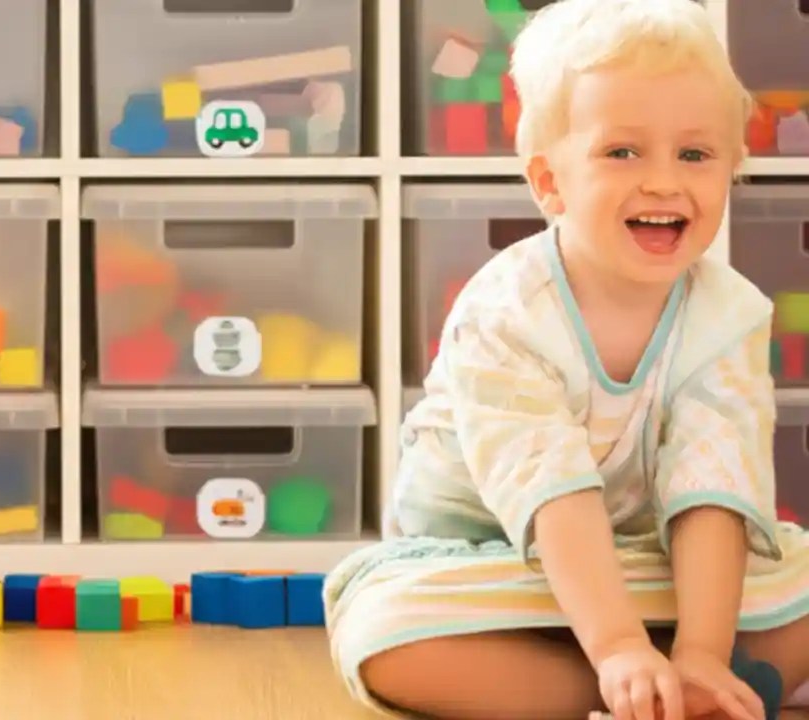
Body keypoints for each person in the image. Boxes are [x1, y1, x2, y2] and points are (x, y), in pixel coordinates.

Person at [324, 0, 809, 718]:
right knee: (386, 642)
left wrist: (703, 648)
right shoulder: (506, 312)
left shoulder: (730, 313)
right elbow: (553, 494)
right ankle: (648, 693)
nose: (664, 182)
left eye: (695, 155)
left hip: (650, 559)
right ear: (550, 181)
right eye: (622, 153)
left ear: (732, 170)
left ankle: (691, 680)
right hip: (489, 563)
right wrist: (617, 648)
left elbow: (714, 489)